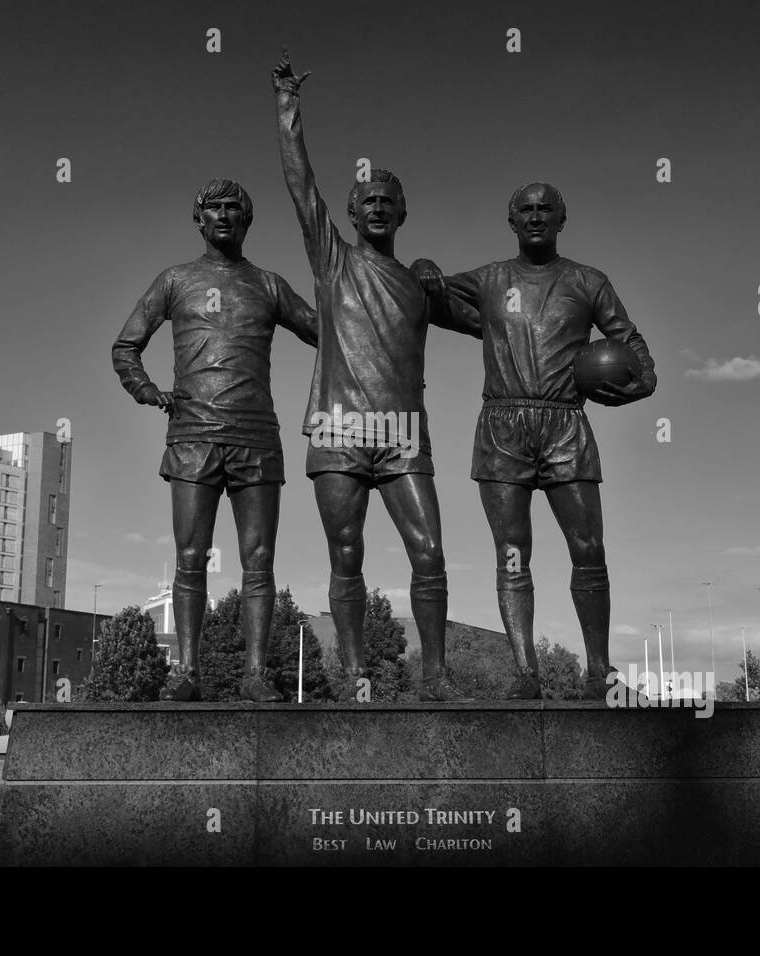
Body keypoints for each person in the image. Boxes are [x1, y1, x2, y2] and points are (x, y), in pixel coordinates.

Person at [270, 48, 480, 700]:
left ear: (403, 212)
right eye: (367, 201)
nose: (379, 208)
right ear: (354, 216)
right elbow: (302, 188)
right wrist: (287, 108)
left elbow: (488, 321)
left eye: (389, 201)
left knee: (430, 555)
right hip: (337, 429)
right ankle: (354, 674)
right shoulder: (333, 260)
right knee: (347, 557)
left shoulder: (420, 283)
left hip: (402, 434)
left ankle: (436, 675)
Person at [412, 183, 656, 698]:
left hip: (565, 422)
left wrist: (637, 383)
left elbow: (631, 345)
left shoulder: (588, 281)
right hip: (503, 426)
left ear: (563, 219)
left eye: (547, 209)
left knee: (589, 548)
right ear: (512, 220)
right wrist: (424, 266)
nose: (536, 216)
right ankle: (526, 673)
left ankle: (599, 673)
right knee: (511, 552)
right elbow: (429, 297)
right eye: (526, 209)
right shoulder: (490, 279)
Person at [112, 178, 319, 701]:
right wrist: (148, 392)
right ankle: (187, 672)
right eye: (215, 208)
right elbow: (126, 346)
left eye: (235, 209)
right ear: (199, 218)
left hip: (255, 437)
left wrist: (356, 292)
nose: (225, 216)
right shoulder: (175, 280)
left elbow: (325, 332)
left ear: (248, 221)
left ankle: (254, 673)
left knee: (259, 559)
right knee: (190, 556)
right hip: (193, 436)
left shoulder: (270, 285)